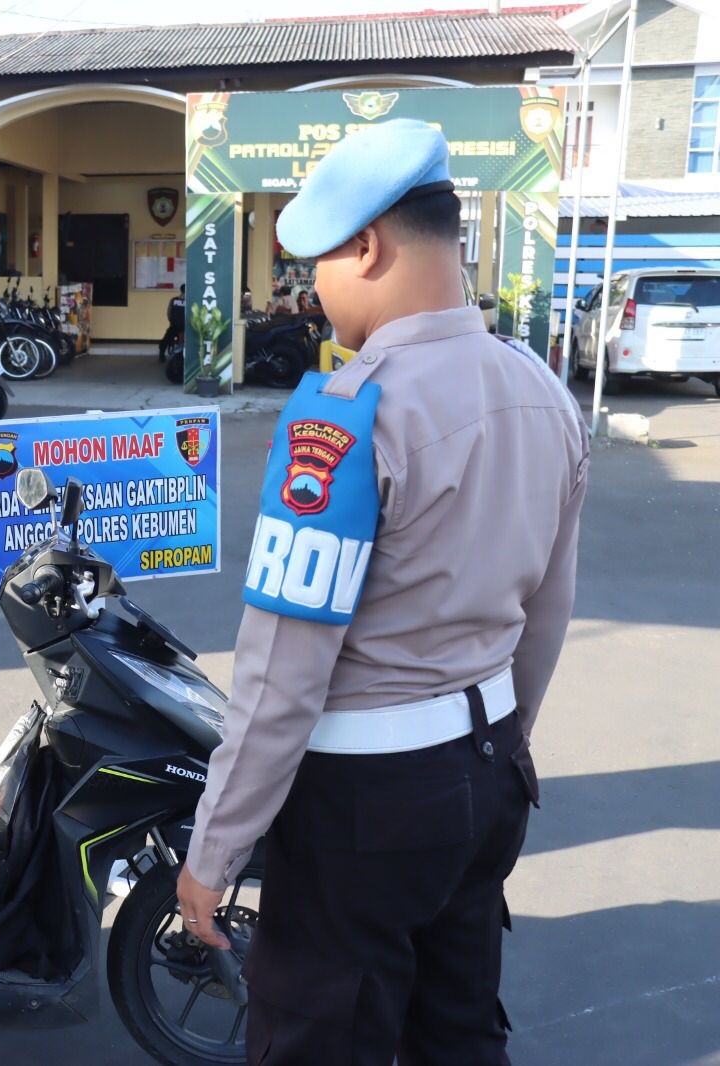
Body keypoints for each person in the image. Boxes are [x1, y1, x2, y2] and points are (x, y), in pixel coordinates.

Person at [175, 119, 589, 1065]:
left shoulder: (346, 413)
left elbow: (281, 673)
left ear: (366, 246)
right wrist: (498, 747)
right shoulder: (542, 391)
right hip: (489, 772)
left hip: (365, 805)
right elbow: (548, 613)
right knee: (459, 1030)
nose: (309, 289)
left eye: (315, 260)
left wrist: (213, 852)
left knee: (321, 1038)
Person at [160, 283, 186, 362]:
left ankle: (161, 354)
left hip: (175, 326)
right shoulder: (190, 300)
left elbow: (169, 313)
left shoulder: (174, 300)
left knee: (166, 339)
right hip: (184, 327)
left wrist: (172, 321)